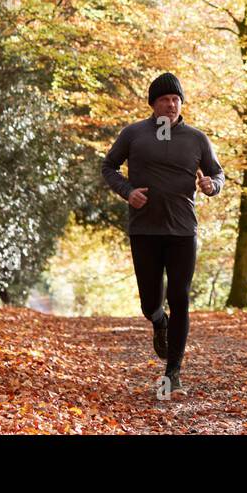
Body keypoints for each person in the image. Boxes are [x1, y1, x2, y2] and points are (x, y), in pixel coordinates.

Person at [101, 73, 225, 394]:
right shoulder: (134, 134)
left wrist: (212, 186)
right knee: (149, 302)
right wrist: (127, 192)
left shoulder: (197, 139)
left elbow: (217, 173)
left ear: (181, 104)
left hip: (183, 231)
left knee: (180, 297)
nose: (171, 105)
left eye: (175, 100)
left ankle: (173, 372)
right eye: (164, 100)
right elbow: (109, 167)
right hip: (144, 231)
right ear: (153, 105)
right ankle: (159, 321)